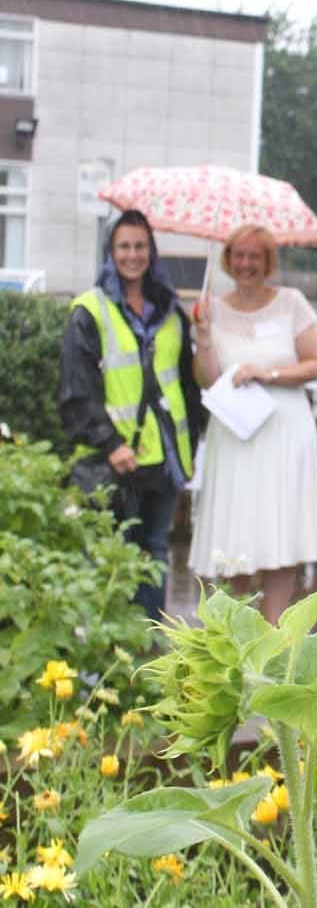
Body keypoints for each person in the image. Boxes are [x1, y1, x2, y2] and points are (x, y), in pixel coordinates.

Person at [59, 209, 201, 620]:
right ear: (111, 251)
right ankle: (108, 646)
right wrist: (110, 443)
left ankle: (149, 643)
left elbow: (187, 386)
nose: (133, 255)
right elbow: (77, 388)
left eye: (140, 246)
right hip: (118, 458)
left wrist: (190, 445)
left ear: (151, 251)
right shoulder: (90, 311)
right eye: (124, 246)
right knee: (111, 555)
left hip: (164, 458)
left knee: (155, 551)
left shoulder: (171, 312)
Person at [188, 222, 317, 623]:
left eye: (255, 256)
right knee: (236, 527)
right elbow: (208, 380)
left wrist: (268, 374)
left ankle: (275, 630)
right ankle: (240, 627)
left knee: (279, 527)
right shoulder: (213, 308)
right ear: (227, 260)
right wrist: (203, 336)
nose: (246, 263)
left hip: (284, 433)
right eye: (239, 255)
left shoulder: (292, 303)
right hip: (235, 434)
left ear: (268, 262)